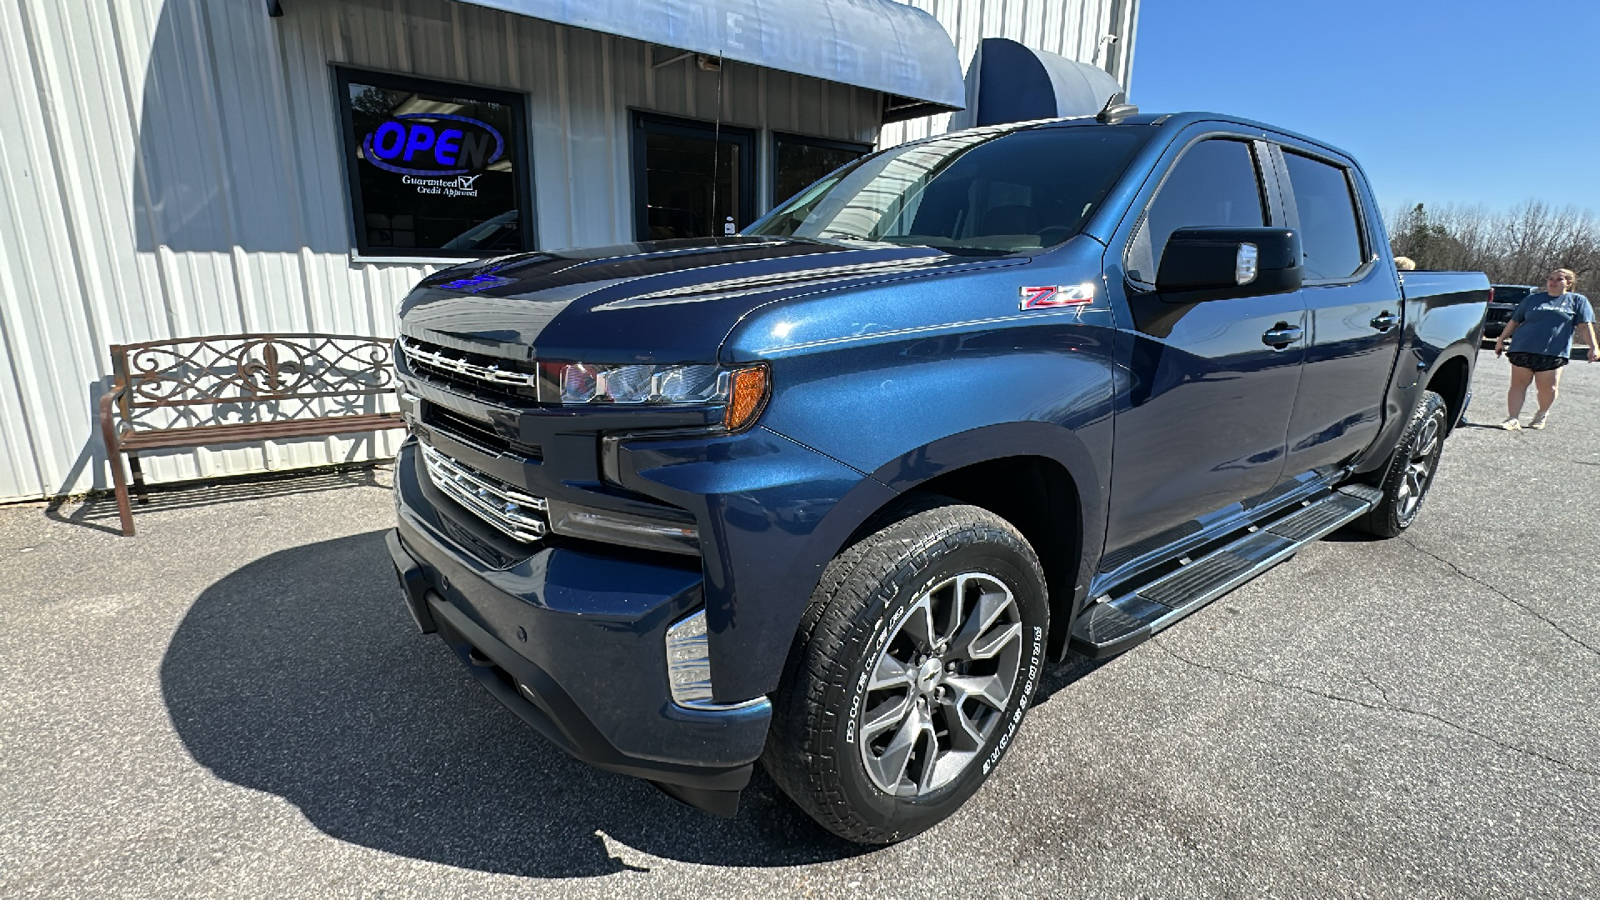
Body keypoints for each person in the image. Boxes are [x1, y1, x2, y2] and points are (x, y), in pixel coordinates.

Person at [1494, 268, 1598, 429]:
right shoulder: (1532, 299)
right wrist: (1501, 340)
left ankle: (1542, 413)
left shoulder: (1577, 300)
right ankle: (1512, 418)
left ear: (1568, 283)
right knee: (1518, 384)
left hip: (1553, 351)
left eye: (1559, 279)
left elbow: (1585, 326)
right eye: (1551, 278)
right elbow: (1515, 321)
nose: (1553, 282)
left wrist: (1593, 347)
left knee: (1548, 388)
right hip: (1523, 347)